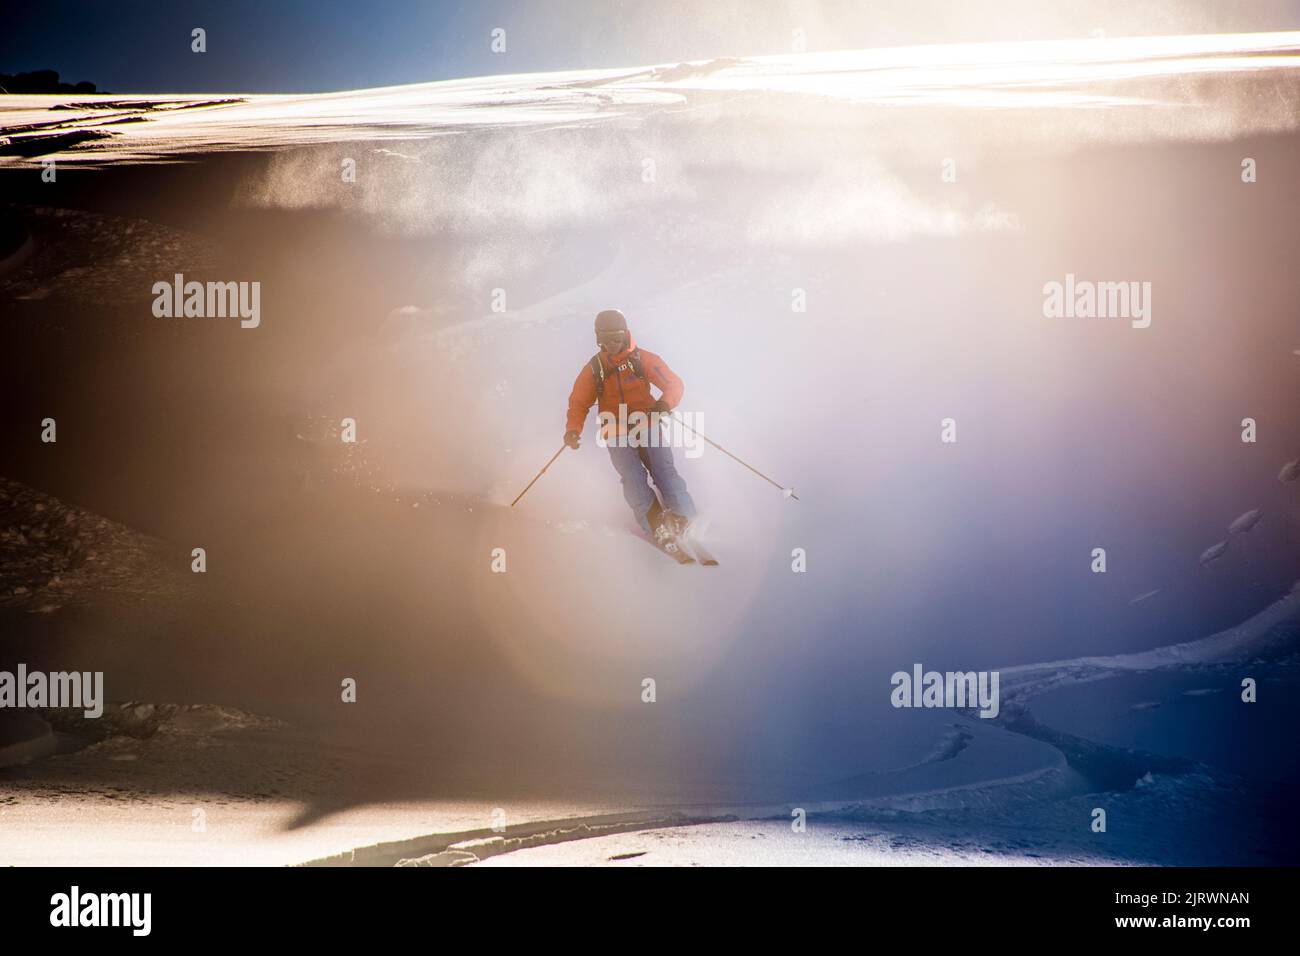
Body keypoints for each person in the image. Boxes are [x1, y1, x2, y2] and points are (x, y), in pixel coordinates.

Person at [564, 308, 697, 543]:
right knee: (632, 478)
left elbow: (674, 384)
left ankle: (684, 519)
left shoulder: (642, 359)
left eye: (616, 338)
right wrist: (573, 429)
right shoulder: (595, 368)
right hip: (614, 429)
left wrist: (665, 403)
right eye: (605, 340)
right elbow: (578, 402)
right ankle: (656, 525)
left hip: (646, 422)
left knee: (663, 471)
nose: (612, 344)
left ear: (625, 334)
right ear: (598, 339)